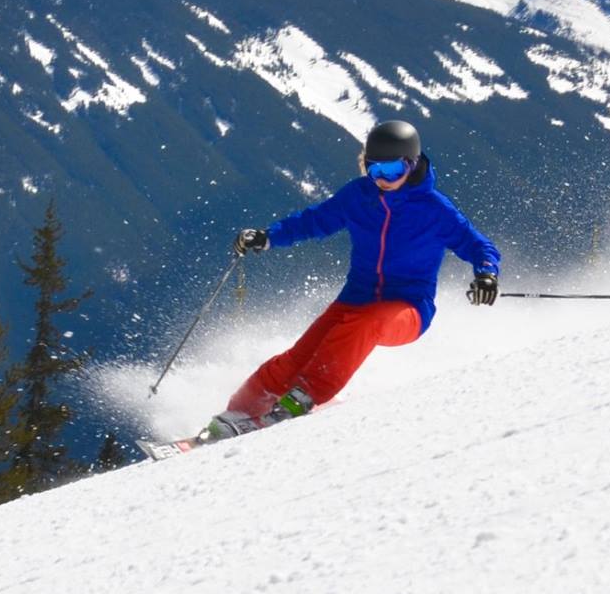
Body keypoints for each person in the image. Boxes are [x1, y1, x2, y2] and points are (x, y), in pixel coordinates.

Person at [211, 119, 500, 435]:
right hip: (356, 298)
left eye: (394, 171)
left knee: (365, 324)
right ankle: (237, 412)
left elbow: (479, 245)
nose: (384, 180)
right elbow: (314, 220)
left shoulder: (435, 209)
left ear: (412, 164)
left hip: (409, 308)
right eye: (375, 170)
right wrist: (268, 236)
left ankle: (301, 399)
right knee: (299, 356)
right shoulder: (359, 195)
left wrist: (486, 274)